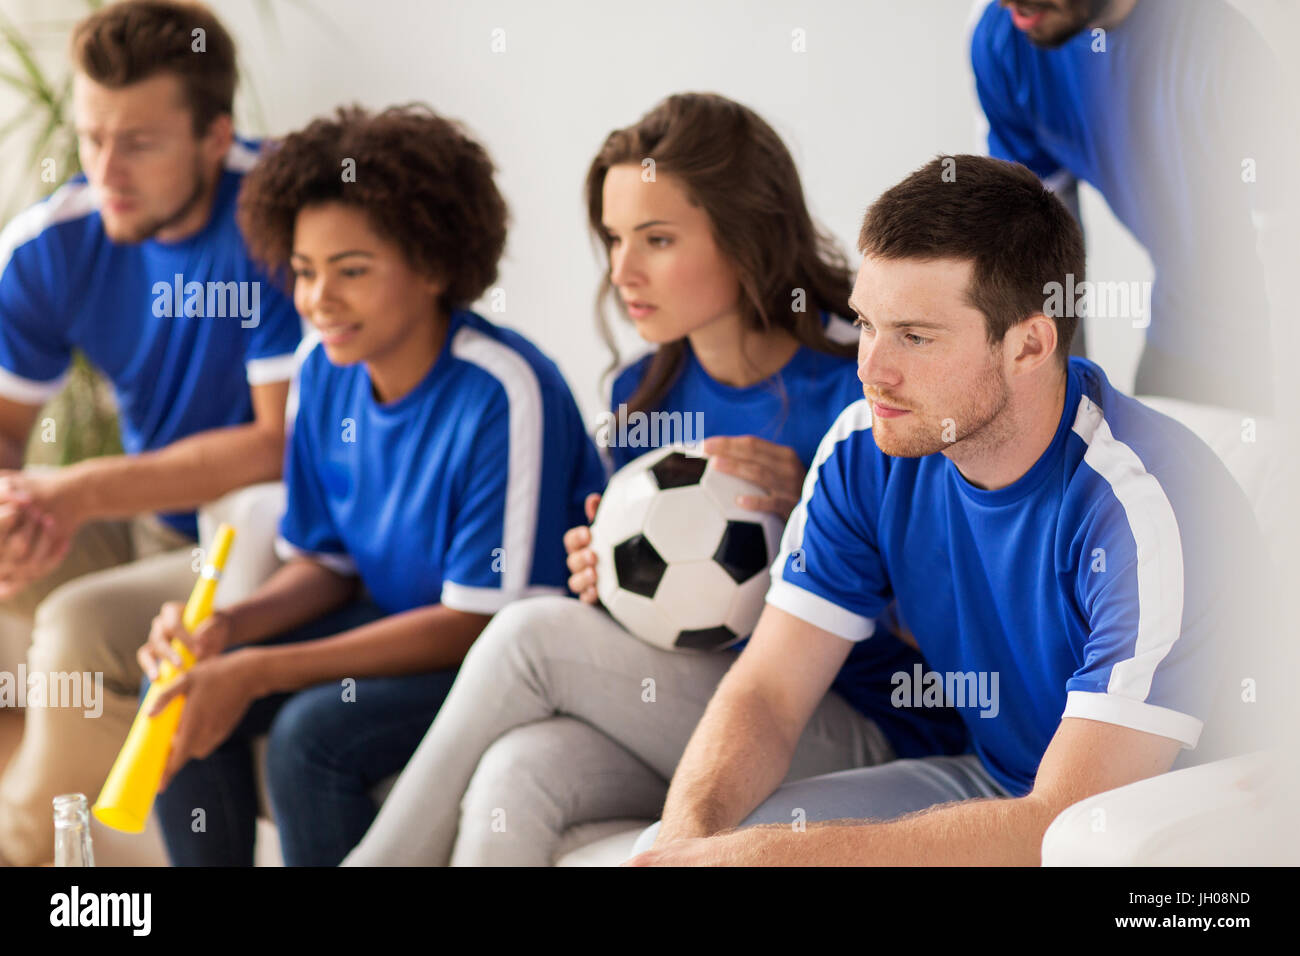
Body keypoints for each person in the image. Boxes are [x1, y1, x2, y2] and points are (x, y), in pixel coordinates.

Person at [343, 93, 968, 867]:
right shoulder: (641, 391)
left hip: (869, 724)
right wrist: (606, 574)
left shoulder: (865, 376)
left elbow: (954, 607)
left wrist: (817, 504)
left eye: (658, 239)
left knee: (530, 635)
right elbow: (677, 612)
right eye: (613, 239)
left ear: (746, 235)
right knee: (518, 772)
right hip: (712, 711)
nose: (623, 270)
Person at [622, 154, 1266, 866]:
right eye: (867, 324)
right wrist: (685, 846)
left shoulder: (1143, 509)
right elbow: (770, 693)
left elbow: (1060, 826)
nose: (870, 367)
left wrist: (758, 859)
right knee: (682, 848)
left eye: (915, 337)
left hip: (1156, 831)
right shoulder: (864, 447)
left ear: (1029, 343)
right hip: (994, 783)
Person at [138, 103, 605, 866]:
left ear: (431, 265)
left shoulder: (505, 389)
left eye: (351, 271)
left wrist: (257, 668)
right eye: (304, 271)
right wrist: (228, 631)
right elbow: (325, 564)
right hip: (391, 625)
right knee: (188, 697)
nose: (319, 298)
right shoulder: (322, 368)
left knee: (310, 736)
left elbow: (475, 623)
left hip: (497, 662)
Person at [0, 0, 301, 866]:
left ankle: (30, 856)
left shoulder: (278, 221)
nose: (105, 170)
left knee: (74, 631)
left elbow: (273, 444)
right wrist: (15, 511)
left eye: (138, 142)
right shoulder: (57, 242)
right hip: (146, 524)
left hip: (258, 542)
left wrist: (78, 488)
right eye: (92, 138)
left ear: (214, 136)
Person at [971, 0, 1289, 413]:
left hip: (1264, 337)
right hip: (1185, 329)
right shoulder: (1006, 42)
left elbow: (1284, 242)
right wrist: (1060, 406)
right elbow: (1039, 248)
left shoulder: (1234, 53)